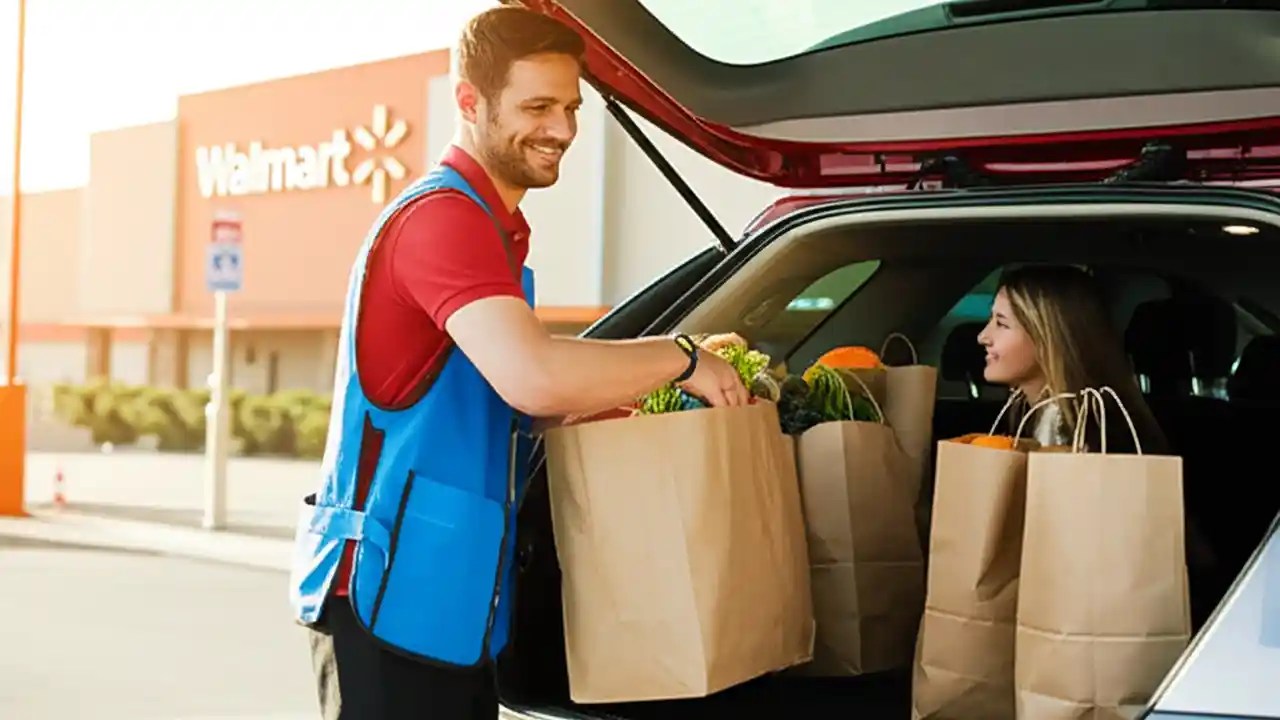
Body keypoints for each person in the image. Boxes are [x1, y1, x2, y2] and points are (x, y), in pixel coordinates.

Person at [289, 7, 749, 720]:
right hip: (391, 601)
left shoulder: (489, 228)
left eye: (571, 107)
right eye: (538, 106)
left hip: (446, 604)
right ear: (468, 103)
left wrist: (650, 398)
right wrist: (680, 359)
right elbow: (532, 375)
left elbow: (524, 404)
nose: (563, 129)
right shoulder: (443, 221)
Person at [977, 263, 1167, 454]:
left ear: (1048, 336)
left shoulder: (1090, 434)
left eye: (1001, 323)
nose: (982, 337)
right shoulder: (1039, 418)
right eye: (990, 319)